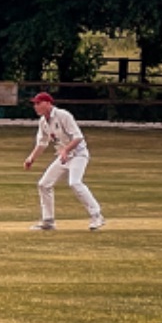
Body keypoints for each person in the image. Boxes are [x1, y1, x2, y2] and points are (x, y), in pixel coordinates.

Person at [23, 92, 105, 231]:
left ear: (48, 103)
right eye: (34, 104)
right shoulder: (43, 121)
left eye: (38, 103)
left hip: (78, 154)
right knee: (44, 184)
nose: (35, 106)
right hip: (63, 157)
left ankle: (97, 215)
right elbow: (42, 143)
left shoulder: (63, 115)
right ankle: (48, 221)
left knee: (75, 182)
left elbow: (78, 137)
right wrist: (31, 158)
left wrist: (66, 150)